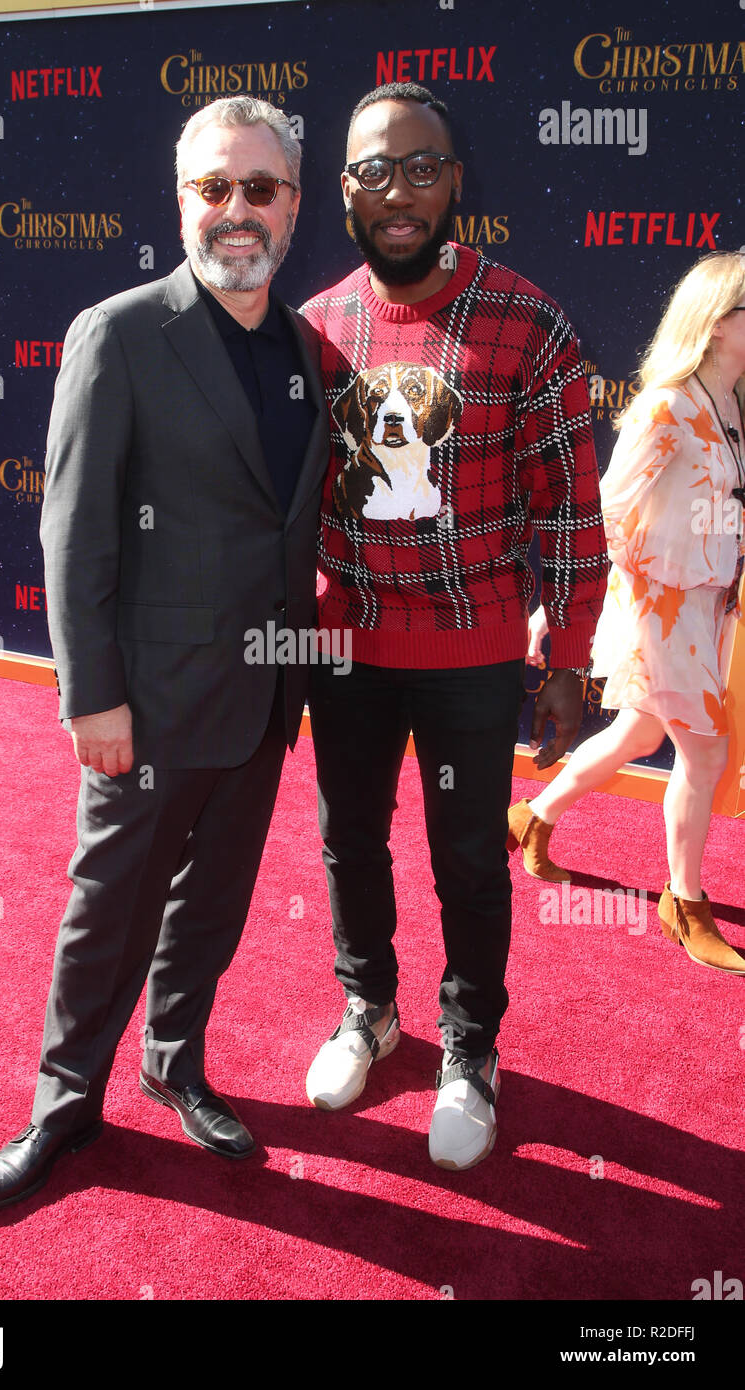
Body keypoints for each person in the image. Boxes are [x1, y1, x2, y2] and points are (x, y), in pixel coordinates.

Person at [0, 97, 329, 1211]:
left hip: (265, 697)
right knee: (108, 904)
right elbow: (70, 533)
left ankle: (174, 1060)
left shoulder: (313, 352)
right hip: (149, 705)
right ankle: (62, 1108)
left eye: (257, 188)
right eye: (211, 187)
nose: (234, 210)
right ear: (179, 200)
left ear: (293, 204)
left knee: (212, 902)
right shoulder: (117, 333)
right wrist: (94, 698)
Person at [299, 82, 608, 1170]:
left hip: (473, 653)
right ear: (342, 188)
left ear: (455, 180)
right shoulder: (316, 326)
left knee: (469, 860)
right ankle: (368, 1008)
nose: (397, 192)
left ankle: (468, 1052)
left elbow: (570, 504)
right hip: (345, 648)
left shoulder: (527, 322)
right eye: (373, 170)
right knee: (347, 839)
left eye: (420, 167)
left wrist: (565, 657)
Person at [508, 251, 745, 975]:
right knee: (704, 751)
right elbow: (603, 507)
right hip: (657, 606)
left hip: (704, 605)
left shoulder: (730, 402)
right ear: (713, 324)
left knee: (637, 736)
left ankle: (531, 816)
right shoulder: (666, 405)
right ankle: (685, 903)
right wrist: (559, 607)